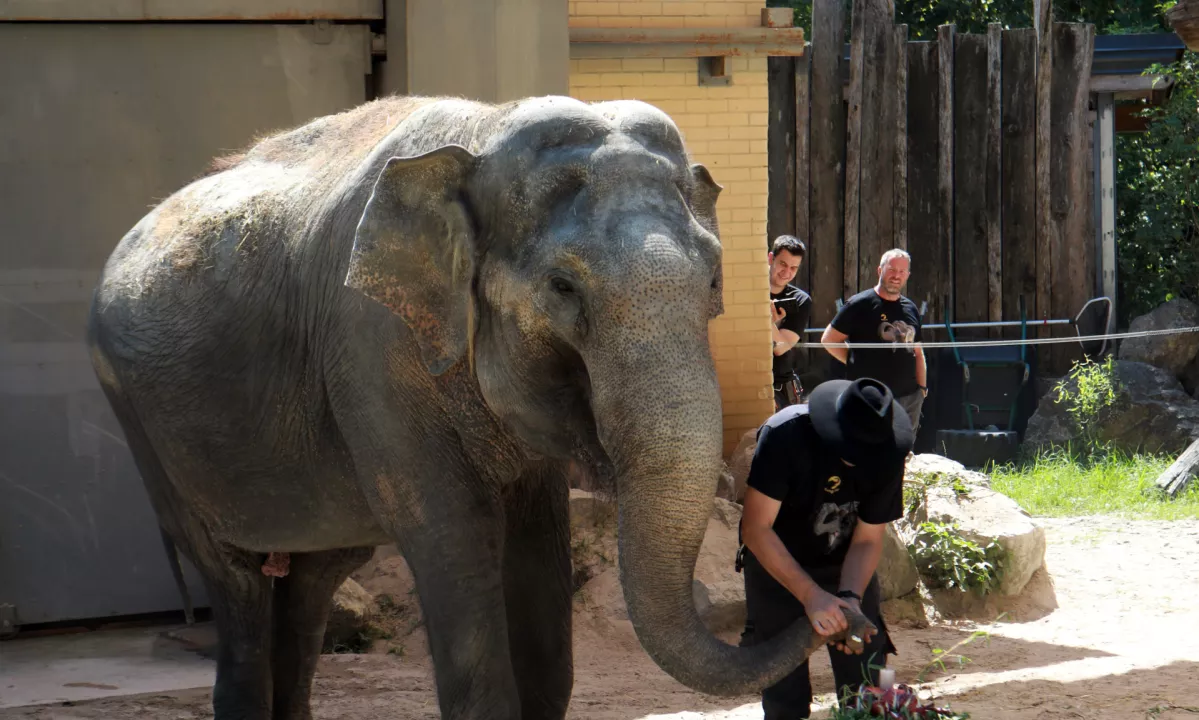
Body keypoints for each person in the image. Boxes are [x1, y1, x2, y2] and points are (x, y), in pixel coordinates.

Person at [738, 378, 914, 719]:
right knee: (783, 693)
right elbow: (756, 529)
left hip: (844, 564)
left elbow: (868, 539)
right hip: (778, 566)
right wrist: (811, 596)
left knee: (869, 686)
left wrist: (850, 598)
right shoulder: (785, 435)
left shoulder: (888, 453)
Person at [820, 248, 927, 435]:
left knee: (904, 448)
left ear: (908, 275)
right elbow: (829, 340)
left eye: (902, 271)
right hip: (870, 398)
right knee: (868, 446)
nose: (896, 276)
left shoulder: (911, 308)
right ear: (880, 270)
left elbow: (918, 351)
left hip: (909, 398)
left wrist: (922, 389)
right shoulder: (859, 304)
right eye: (891, 269)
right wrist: (855, 362)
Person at [768, 235, 813, 410]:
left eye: (794, 268)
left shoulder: (801, 300)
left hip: (781, 386)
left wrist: (768, 322)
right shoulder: (749, 290)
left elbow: (781, 348)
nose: (787, 272)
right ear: (770, 259)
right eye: (783, 264)